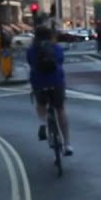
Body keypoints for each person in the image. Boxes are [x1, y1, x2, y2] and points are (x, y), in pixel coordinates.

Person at [26, 25, 72, 155]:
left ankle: (43, 123)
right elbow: (61, 61)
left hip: (39, 82)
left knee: (41, 105)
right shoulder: (55, 47)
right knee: (60, 109)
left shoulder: (32, 49)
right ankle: (67, 145)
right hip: (56, 81)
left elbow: (30, 63)